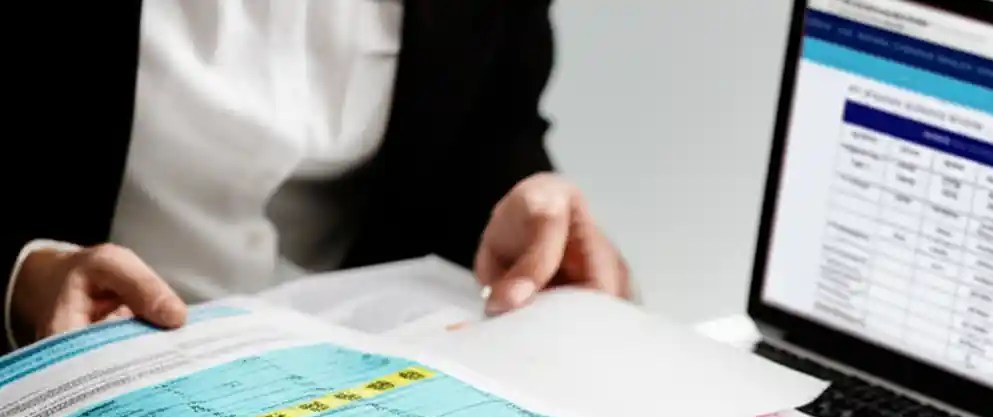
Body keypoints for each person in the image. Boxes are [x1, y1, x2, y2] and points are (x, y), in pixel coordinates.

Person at [1, 1, 632, 351]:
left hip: (350, 393)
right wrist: (24, 280)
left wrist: (535, 215)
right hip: (73, 389)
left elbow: (488, 138)